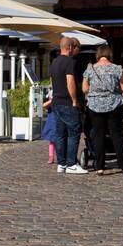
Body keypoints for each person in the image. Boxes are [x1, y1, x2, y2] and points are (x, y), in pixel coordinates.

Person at [82, 44, 123, 175]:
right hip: (114, 104)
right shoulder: (116, 68)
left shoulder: (90, 69)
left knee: (98, 135)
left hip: (95, 105)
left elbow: (84, 89)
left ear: (98, 54)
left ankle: (100, 166)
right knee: (117, 135)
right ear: (110, 54)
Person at [50, 36, 86, 174]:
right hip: (67, 102)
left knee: (60, 134)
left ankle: (61, 163)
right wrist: (75, 100)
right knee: (73, 132)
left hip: (57, 102)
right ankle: (71, 163)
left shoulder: (54, 62)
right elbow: (70, 81)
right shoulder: (69, 62)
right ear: (70, 47)